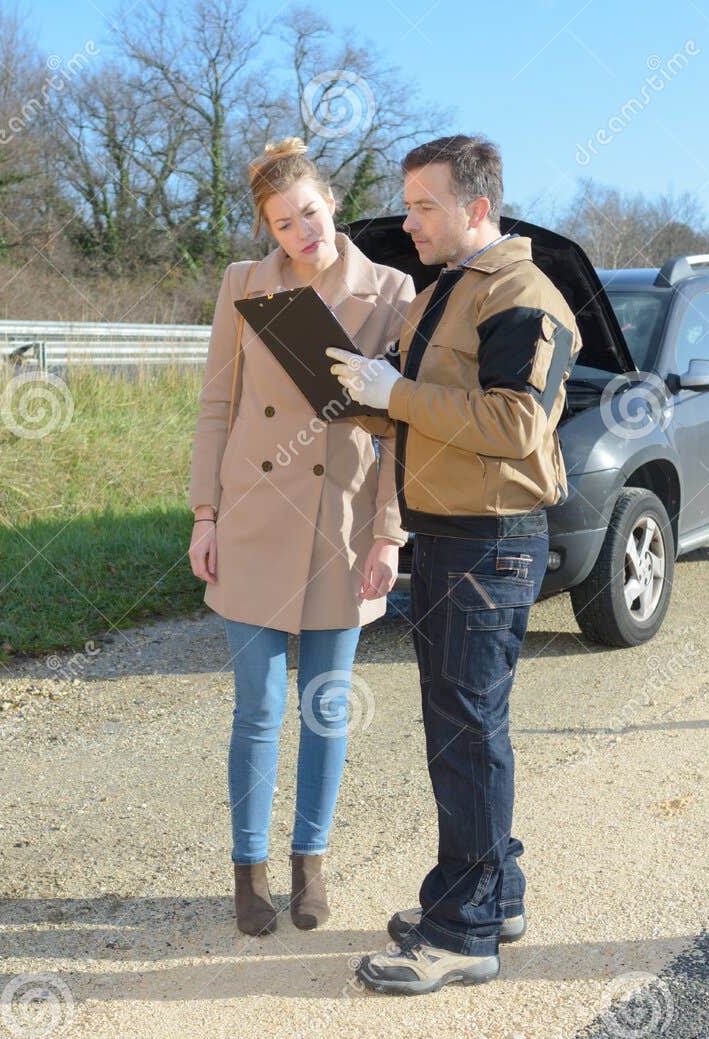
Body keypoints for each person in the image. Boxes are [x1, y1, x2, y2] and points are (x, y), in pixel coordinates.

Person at [327, 134, 580, 993]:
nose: (410, 220)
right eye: (408, 202)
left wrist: (390, 392)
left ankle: (464, 934)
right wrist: (356, 398)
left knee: (467, 734)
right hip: (447, 535)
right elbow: (431, 415)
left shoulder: (522, 296)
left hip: (491, 540)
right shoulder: (445, 293)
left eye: (425, 204)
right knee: (464, 728)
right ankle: (492, 893)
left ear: (477, 207)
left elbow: (514, 425)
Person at [188, 138, 414, 936]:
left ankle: (309, 867)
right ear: (269, 230)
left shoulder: (390, 290)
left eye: (309, 214)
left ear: (331, 205)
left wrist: (388, 535)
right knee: (259, 707)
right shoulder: (242, 286)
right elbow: (217, 406)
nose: (300, 234)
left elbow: (400, 429)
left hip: (341, 523)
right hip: (250, 518)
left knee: (325, 707)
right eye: (283, 225)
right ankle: (248, 874)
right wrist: (204, 516)